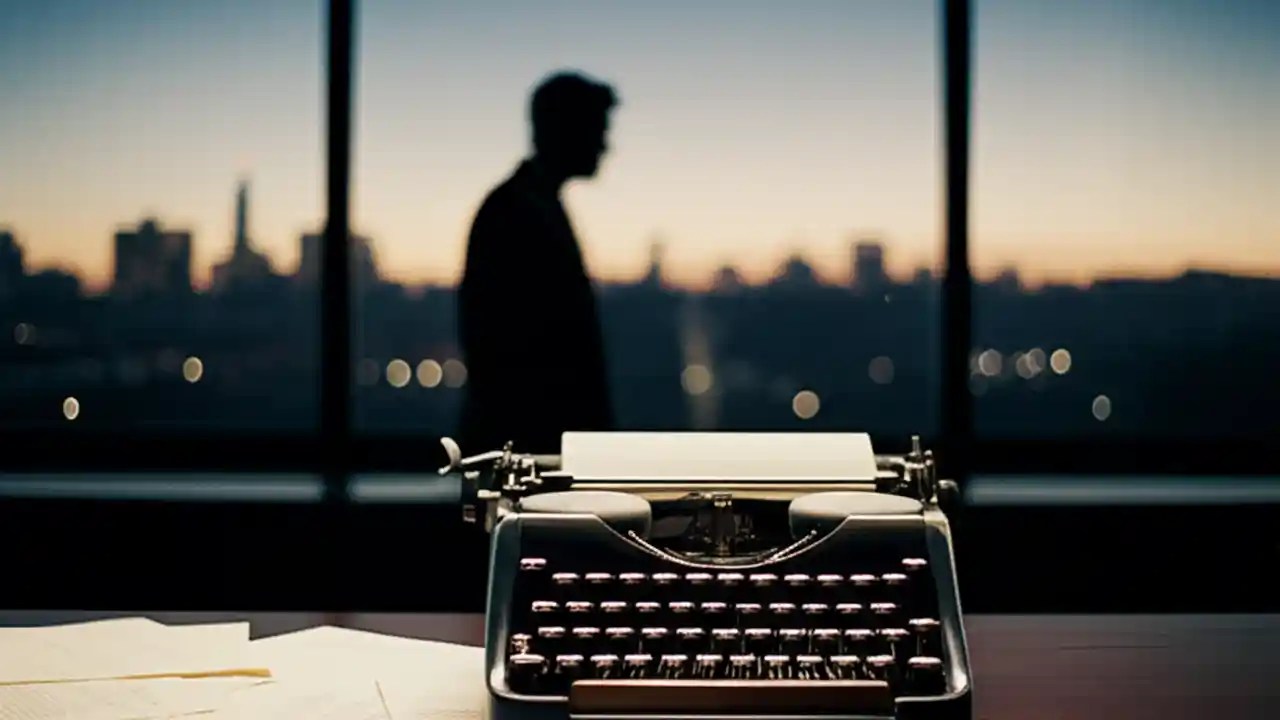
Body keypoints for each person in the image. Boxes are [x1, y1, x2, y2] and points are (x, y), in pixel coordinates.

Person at [457, 70, 618, 454]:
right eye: (597, 130)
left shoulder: (522, 205)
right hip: (529, 435)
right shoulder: (518, 212)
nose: (605, 145)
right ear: (566, 130)